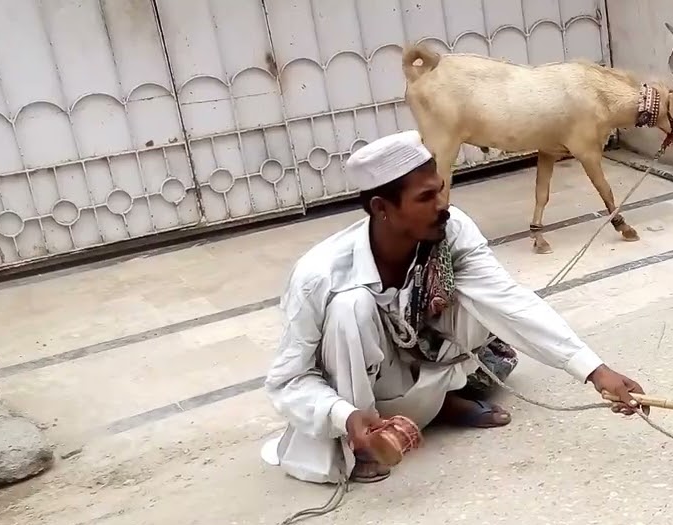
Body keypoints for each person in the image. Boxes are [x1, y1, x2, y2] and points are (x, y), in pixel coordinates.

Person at [260, 130, 647, 484]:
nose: (442, 205)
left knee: (477, 295)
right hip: (359, 402)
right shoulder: (319, 274)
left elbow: (509, 302)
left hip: (426, 367)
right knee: (351, 307)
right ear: (381, 209)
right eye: (426, 198)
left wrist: (593, 370)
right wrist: (343, 416)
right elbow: (287, 381)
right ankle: (368, 442)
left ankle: (440, 402)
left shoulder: (452, 230)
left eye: (441, 190)